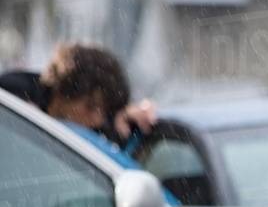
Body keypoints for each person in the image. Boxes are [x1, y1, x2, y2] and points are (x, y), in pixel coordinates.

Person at [0, 42, 155, 141]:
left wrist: (127, 117)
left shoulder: (100, 126)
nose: (97, 119)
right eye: (91, 106)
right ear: (64, 91)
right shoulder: (13, 94)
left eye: (104, 111)